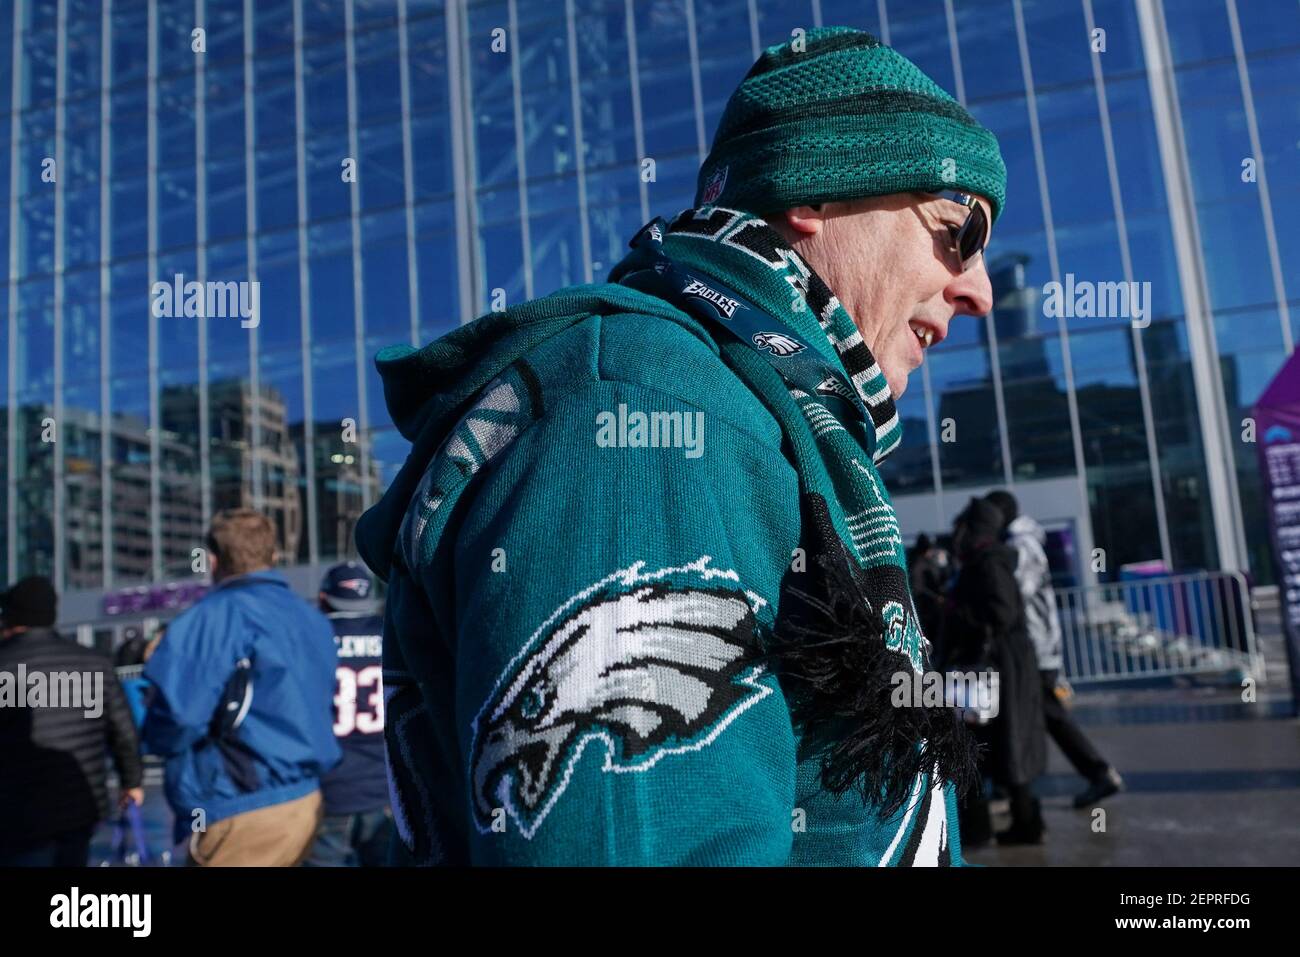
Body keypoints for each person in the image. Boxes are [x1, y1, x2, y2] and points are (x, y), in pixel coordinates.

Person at [356, 27, 1004, 865]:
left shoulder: (746, 412)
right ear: (817, 193)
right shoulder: (641, 406)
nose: (979, 289)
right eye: (961, 230)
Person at [142, 509, 341, 866]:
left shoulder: (211, 618)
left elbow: (177, 717)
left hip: (239, 804)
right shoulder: (309, 617)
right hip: (305, 800)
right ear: (273, 555)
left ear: (213, 560)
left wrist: (154, 739)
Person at [983, 490, 1124, 808]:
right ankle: (1013, 784)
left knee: (1041, 714)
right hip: (1033, 647)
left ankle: (1095, 773)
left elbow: (1015, 591)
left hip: (1035, 648)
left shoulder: (1021, 546)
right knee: (1040, 714)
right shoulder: (1020, 543)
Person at [0, 576, 143, 866]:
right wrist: (131, 781)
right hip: (80, 804)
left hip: (16, 809)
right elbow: (122, 731)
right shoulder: (93, 664)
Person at [946, 498, 1047, 845]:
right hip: (1002, 665)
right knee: (1001, 745)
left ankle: (998, 827)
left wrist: (959, 614)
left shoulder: (988, 563)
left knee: (988, 744)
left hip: (996, 666)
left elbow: (1000, 613)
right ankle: (1019, 824)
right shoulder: (989, 560)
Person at [303, 562, 394, 867]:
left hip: (329, 790)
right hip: (384, 789)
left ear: (324, 598)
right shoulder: (391, 637)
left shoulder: (311, 641)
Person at [908, 534, 948, 663]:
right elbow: (918, 587)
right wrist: (935, 597)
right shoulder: (919, 565)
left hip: (930, 606)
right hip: (926, 607)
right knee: (930, 635)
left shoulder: (923, 562)